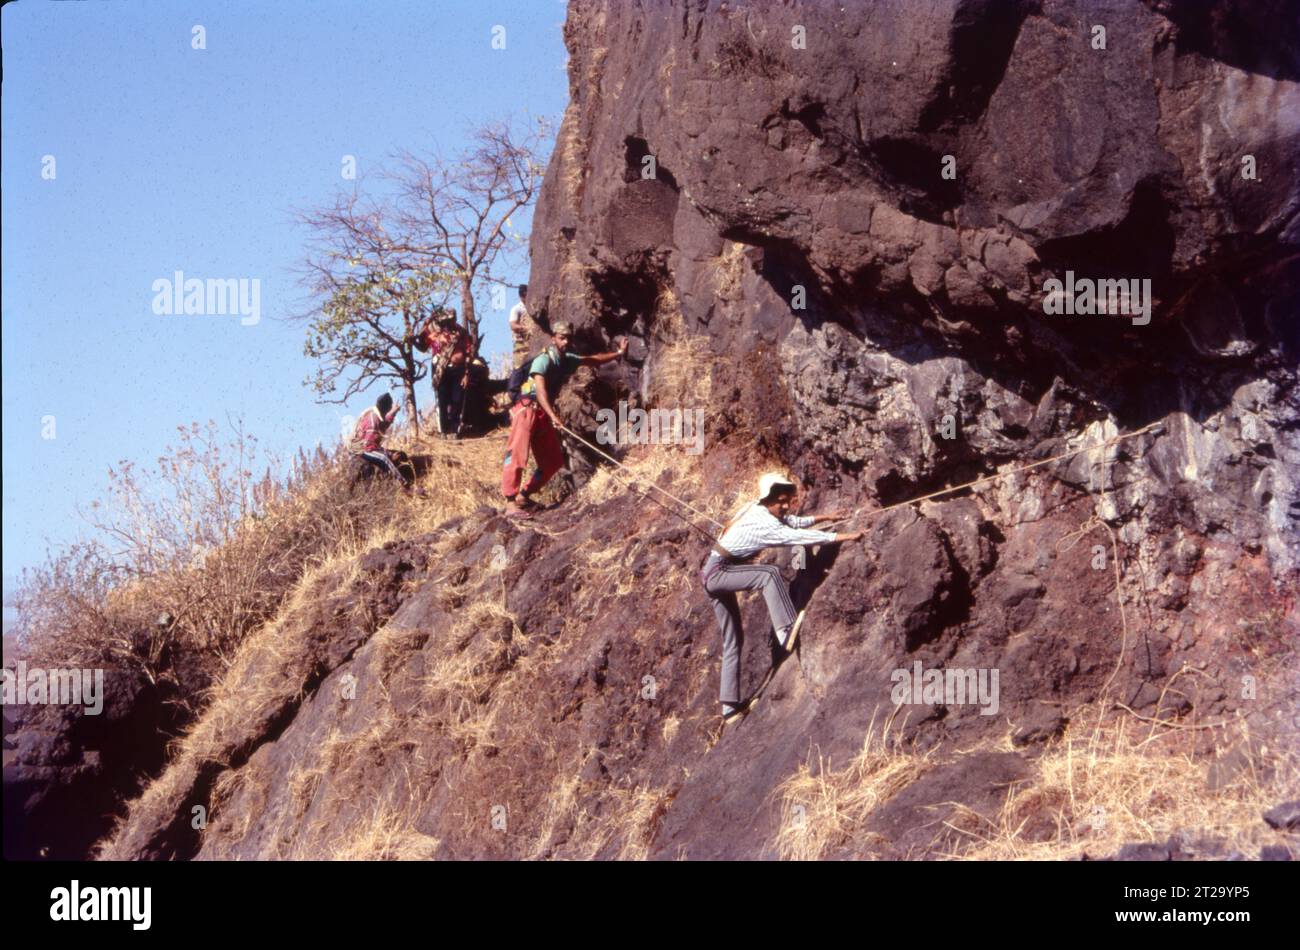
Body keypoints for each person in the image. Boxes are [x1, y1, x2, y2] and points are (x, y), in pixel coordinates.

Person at [700, 473, 861, 724]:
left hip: (712, 574)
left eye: (788, 501)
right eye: (781, 502)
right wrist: (841, 537)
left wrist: (825, 518)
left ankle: (729, 708)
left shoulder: (758, 510)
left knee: (733, 640)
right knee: (769, 574)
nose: (786, 506)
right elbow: (793, 537)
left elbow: (791, 523)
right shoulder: (764, 523)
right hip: (719, 573)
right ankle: (786, 630)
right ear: (768, 500)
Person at [501, 321, 627, 518]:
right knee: (517, 455)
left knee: (553, 461)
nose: (566, 341)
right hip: (527, 409)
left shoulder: (567, 359)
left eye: (568, 337)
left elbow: (593, 360)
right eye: (562, 337)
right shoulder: (543, 360)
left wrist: (618, 353)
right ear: (554, 339)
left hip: (542, 413)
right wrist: (554, 416)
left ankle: (523, 496)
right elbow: (541, 391)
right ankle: (510, 503)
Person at [415, 311, 472, 437]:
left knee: (457, 399)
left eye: (452, 319)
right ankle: (444, 431)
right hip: (441, 370)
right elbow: (422, 345)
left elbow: (468, 352)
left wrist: (466, 373)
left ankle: (455, 430)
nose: (449, 322)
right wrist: (426, 323)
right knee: (442, 399)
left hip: (459, 370)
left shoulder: (461, 332)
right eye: (447, 319)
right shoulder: (435, 332)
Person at [348, 393, 418, 491]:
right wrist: (388, 454)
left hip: (365, 446)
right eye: (389, 408)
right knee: (384, 459)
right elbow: (369, 446)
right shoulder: (372, 420)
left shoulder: (375, 415)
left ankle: (408, 479)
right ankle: (404, 485)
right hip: (360, 450)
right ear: (385, 408)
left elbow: (383, 425)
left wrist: (394, 411)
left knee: (400, 455)